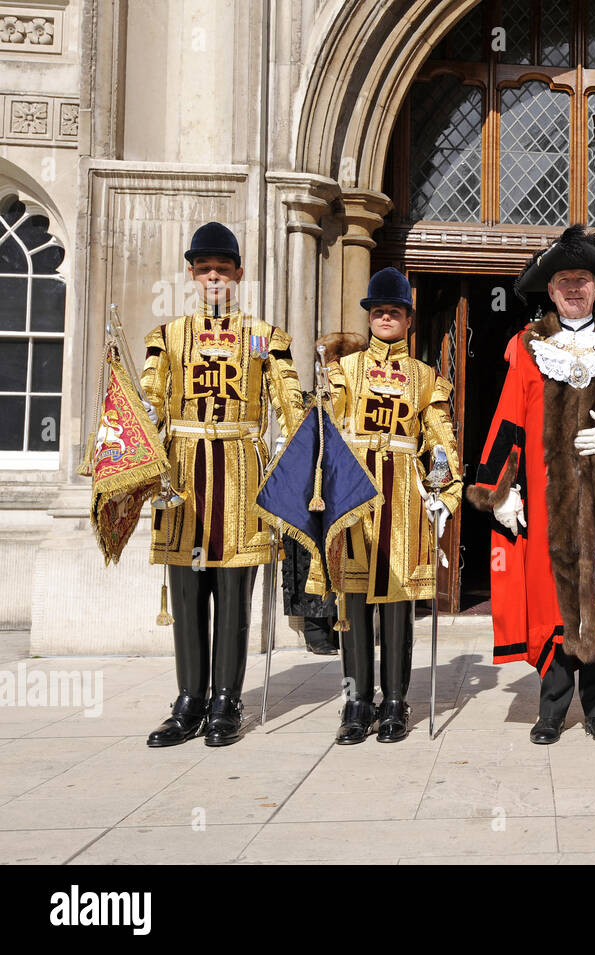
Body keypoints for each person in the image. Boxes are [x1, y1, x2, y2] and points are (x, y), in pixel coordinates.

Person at [467, 226, 595, 745]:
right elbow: (509, 419)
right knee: (555, 602)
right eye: (563, 282)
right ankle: (552, 710)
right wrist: (501, 489)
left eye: (582, 280)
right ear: (550, 291)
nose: (574, 289)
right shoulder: (530, 348)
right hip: (548, 499)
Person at [141, 222, 303, 747]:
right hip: (184, 472)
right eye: (204, 268)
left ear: (238, 274)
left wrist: (301, 453)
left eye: (223, 269)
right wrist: (137, 414)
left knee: (234, 589)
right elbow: (151, 399)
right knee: (187, 591)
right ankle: (189, 699)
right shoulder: (166, 336)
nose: (214, 276)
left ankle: (226, 701)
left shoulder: (263, 336)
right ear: (192, 274)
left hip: (240, 471)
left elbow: (289, 400)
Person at [312, 268, 462, 744]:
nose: (384, 318)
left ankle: (396, 700)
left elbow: (439, 440)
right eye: (377, 312)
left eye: (393, 312)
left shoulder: (425, 378)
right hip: (354, 494)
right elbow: (326, 429)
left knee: (397, 602)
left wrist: (444, 491)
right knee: (352, 600)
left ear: (407, 320)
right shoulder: (345, 371)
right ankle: (356, 701)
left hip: (403, 495)